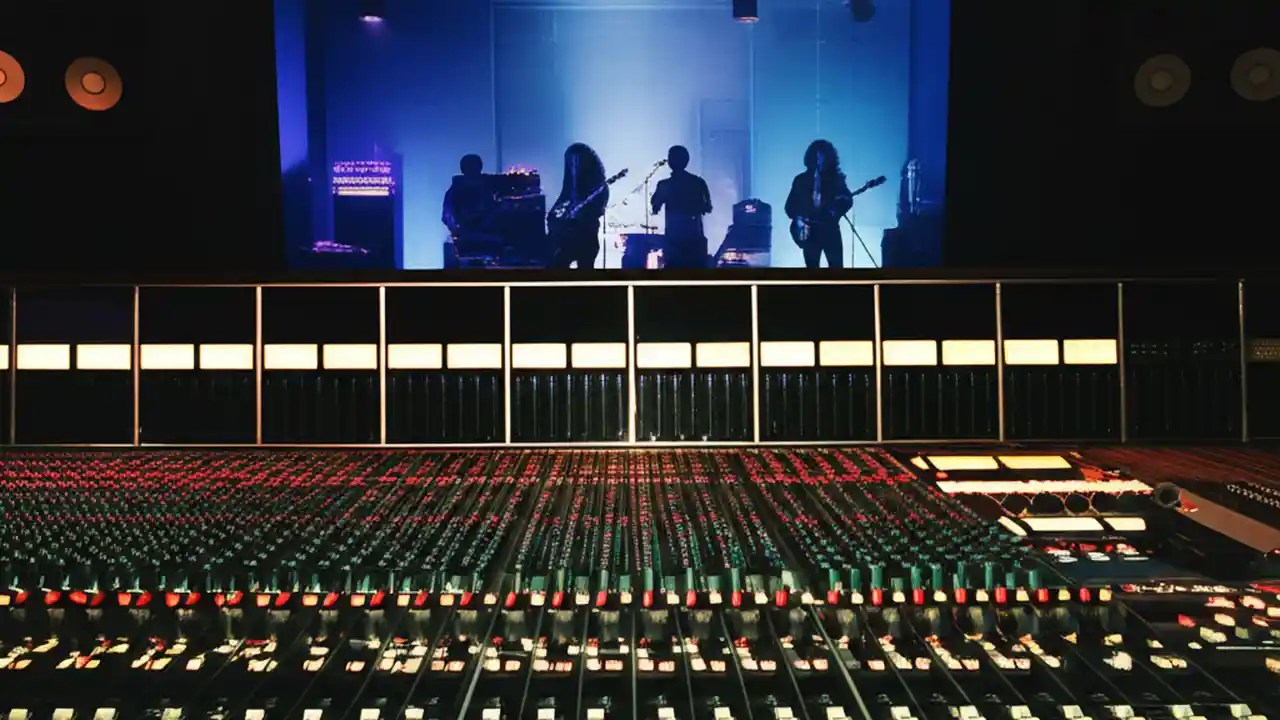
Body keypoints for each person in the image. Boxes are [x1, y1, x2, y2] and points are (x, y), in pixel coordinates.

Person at [784, 140, 853, 269]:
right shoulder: (800, 180)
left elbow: (847, 201)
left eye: (822, 158)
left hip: (830, 230)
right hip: (810, 232)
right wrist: (799, 219)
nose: (819, 162)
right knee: (811, 271)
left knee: (837, 270)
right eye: (816, 158)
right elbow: (789, 207)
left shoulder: (836, 180)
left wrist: (836, 211)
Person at [548, 143, 609, 269]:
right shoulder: (569, 186)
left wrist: (579, 214)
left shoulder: (599, 187)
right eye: (571, 161)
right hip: (566, 238)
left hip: (586, 237)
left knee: (585, 273)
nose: (574, 165)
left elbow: (596, 211)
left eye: (577, 161)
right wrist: (553, 217)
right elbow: (560, 203)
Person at [651, 145, 712, 269]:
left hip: (675, 238)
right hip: (694, 237)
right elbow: (707, 207)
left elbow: (655, 206)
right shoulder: (698, 183)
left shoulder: (665, 185)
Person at [441, 154, 499, 256]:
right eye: (470, 167)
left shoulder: (487, 189)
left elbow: (493, 209)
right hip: (465, 238)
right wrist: (458, 229)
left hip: (487, 237)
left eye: (475, 167)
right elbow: (447, 214)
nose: (473, 170)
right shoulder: (455, 190)